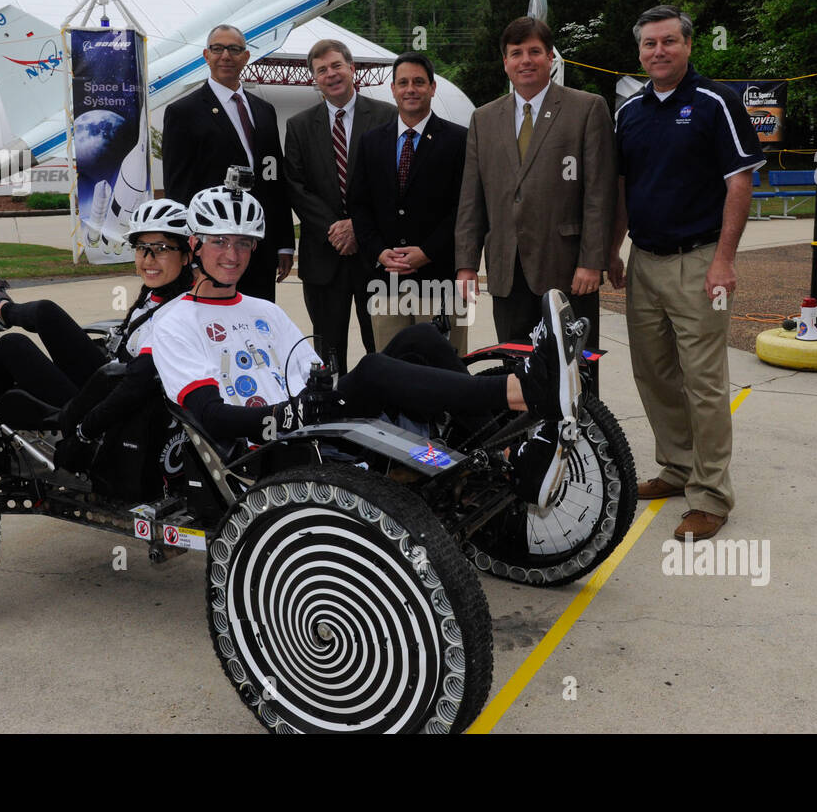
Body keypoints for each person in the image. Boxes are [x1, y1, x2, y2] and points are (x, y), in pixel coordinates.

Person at [148, 185, 586, 505]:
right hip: (266, 448)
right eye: (219, 241)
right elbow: (210, 416)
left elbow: (316, 373)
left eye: (243, 243)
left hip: (312, 421)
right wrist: (288, 414)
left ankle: (511, 456)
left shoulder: (264, 310)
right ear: (195, 245)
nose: (232, 254)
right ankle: (529, 389)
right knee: (374, 369)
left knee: (421, 337)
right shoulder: (173, 321)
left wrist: (315, 397)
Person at [611, 4, 765, 540]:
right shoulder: (629, 112)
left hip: (700, 261)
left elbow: (739, 182)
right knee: (654, 374)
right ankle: (677, 467)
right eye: (649, 43)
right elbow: (624, 189)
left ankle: (711, 495)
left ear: (688, 45)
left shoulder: (716, 103)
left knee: (703, 382)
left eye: (668, 41)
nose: (659, 51)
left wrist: (724, 260)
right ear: (639, 52)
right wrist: (613, 250)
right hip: (645, 261)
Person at [454, 16, 616, 353]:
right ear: (505, 62)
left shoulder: (586, 109)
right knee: (516, 369)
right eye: (516, 53)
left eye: (534, 51)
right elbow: (472, 198)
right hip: (507, 273)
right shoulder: (483, 119)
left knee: (574, 369)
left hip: (567, 271)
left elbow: (599, 195)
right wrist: (466, 265)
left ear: (550, 57)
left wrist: (591, 261)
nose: (525, 60)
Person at [0, 198, 194, 411]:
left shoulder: (182, 312)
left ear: (186, 256)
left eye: (161, 248)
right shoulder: (162, 292)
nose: (148, 259)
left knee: (12, 346)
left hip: (110, 413)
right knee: (44, 311)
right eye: (141, 247)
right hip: (109, 381)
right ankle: (1, 310)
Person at [284, 39, 397, 372]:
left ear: (352, 68)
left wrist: (358, 227)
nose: (330, 74)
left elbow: (393, 182)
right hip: (323, 257)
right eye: (322, 70)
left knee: (383, 347)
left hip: (375, 255)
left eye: (336, 66)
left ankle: (382, 402)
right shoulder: (299, 126)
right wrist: (335, 229)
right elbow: (296, 187)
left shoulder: (387, 117)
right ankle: (335, 403)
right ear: (314, 78)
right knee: (327, 353)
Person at [160, 24, 295, 301]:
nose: (225, 56)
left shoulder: (264, 111)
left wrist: (284, 243)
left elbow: (274, 181)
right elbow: (178, 189)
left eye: (234, 49)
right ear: (206, 55)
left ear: (246, 57)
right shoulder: (183, 112)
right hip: (213, 249)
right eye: (218, 49)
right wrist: (188, 251)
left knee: (257, 317)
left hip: (259, 245)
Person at [349, 52, 469, 354]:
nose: (410, 89)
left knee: (444, 367)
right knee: (392, 368)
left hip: (440, 279)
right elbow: (359, 205)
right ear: (393, 89)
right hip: (385, 281)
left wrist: (427, 252)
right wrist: (379, 251)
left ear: (432, 87)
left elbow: (464, 209)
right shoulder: (371, 141)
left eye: (418, 82)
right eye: (403, 83)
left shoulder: (459, 140)